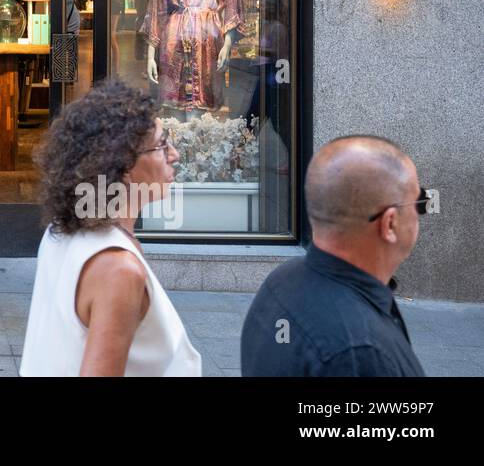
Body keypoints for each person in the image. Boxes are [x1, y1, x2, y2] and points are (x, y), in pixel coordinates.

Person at [21, 79, 201, 376]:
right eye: (161, 145)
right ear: (125, 167)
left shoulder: (62, 232)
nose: (174, 154)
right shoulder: (118, 269)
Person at [241, 135, 430, 376]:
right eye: (418, 202)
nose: (420, 211)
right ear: (389, 223)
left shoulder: (281, 280)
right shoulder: (363, 354)